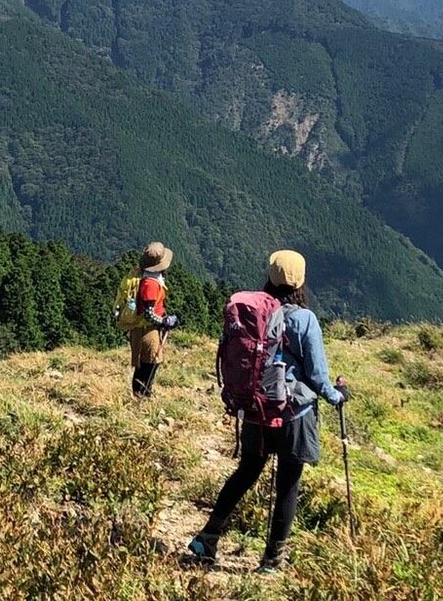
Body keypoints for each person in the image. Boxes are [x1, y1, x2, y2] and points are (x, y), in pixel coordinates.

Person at [188, 249, 349, 573]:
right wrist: (338, 395)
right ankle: (272, 560)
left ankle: (208, 536)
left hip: (257, 409)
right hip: (294, 415)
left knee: (246, 472)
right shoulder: (305, 319)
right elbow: (317, 376)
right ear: (301, 280)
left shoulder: (252, 312)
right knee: (288, 485)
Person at [128, 241, 178, 398]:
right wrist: (164, 321)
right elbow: (148, 313)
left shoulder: (147, 278)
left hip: (143, 330)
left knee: (144, 367)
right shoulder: (151, 284)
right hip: (148, 332)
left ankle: (140, 397)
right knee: (149, 366)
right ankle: (142, 398)